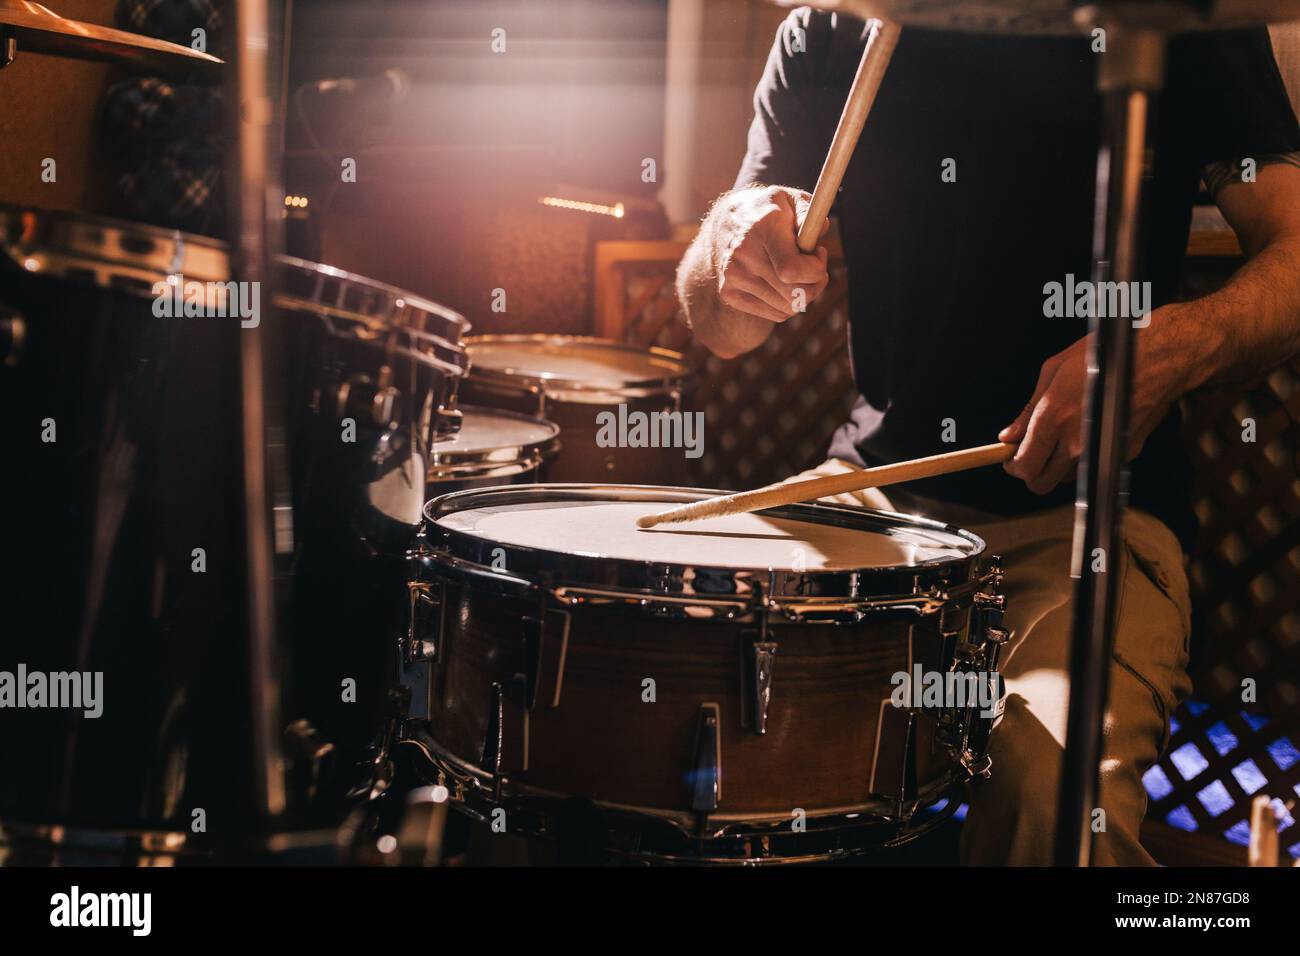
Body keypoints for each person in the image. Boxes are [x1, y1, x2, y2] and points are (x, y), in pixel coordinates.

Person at [676, 8, 1300, 865]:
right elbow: (720, 327)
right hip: (873, 498)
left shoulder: (1175, 17)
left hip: (1092, 516)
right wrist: (728, 245)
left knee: (1053, 792)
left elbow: (1297, 248)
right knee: (706, 733)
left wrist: (1173, 345)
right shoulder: (832, 25)